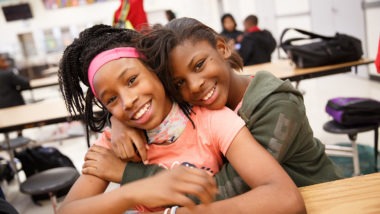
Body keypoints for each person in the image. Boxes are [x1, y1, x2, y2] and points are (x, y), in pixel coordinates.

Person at [58, 24, 304, 213]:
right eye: (111, 99)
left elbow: (286, 198)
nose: (128, 101)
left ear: (155, 70)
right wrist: (131, 194)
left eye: (132, 80)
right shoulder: (115, 143)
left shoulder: (211, 119)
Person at [108, 17, 343, 189]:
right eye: (179, 82)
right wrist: (119, 120)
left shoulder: (278, 106)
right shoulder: (197, 104)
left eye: (199, 65)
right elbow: (146, 97)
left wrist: (132, 175)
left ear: (222, 48)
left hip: (321, 197)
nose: (194, 86)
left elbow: (229, 186)